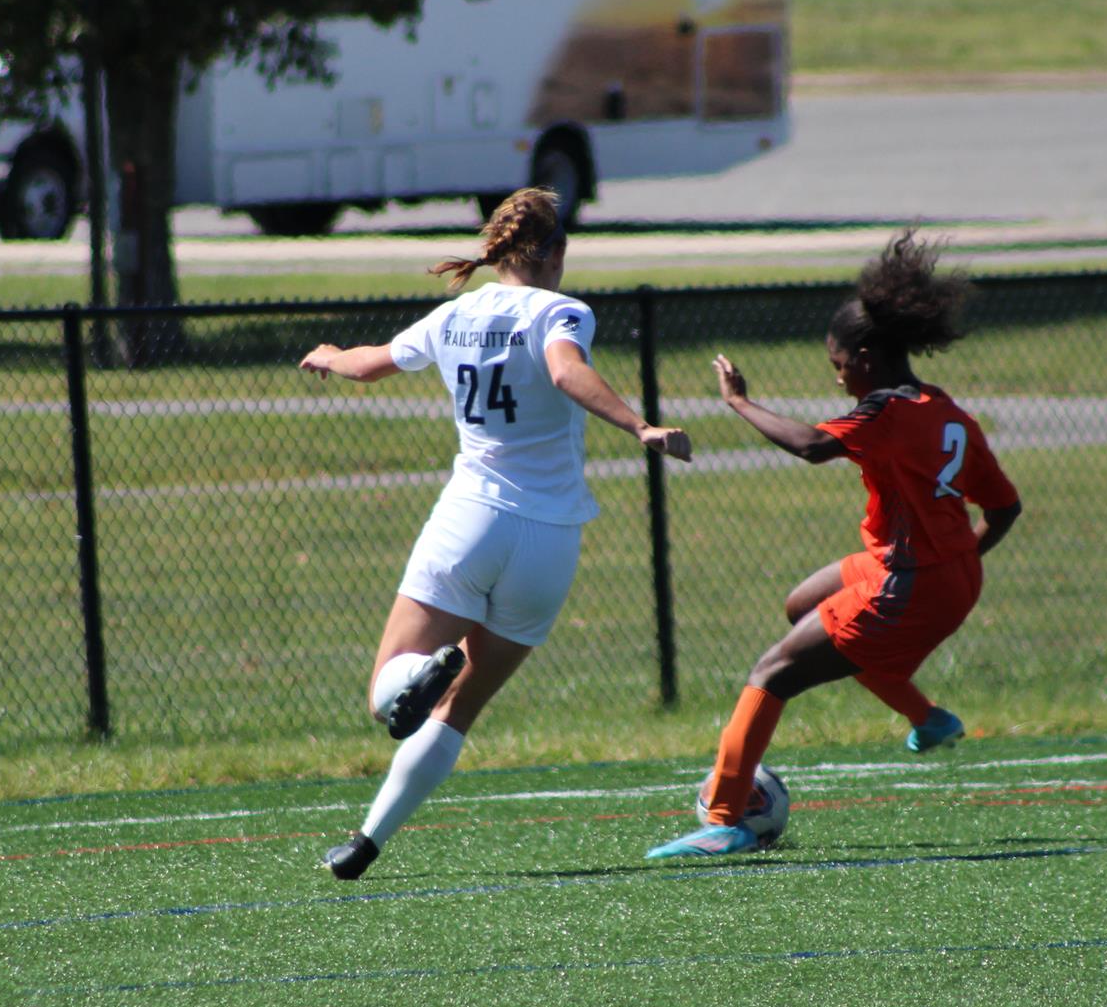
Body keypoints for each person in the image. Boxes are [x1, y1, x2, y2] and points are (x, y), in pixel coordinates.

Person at [299, 187, 692, 880]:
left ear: (498, 251)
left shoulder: (456, 313)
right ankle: (366, 840)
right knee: (458, 711)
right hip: (550, 542)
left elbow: (368, 364)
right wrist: (640, 427)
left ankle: (425, 670)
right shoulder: (561, 310)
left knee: (387, 696)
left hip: (471, 523)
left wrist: (329, 355)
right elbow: (565, 369)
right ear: (557, 252)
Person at [647, 228, 1021, 860]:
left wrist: (738, 402)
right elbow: (1005, 508)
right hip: (948, 570)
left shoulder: (885, 413)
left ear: (866, 357)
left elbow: (813, 446)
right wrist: (954, 565)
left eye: (839, 366)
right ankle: (929, 719)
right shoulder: (945, 409)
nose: (840, 379)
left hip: (909, 581)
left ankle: (725, 819)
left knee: (772, 672)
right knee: (803, 607)